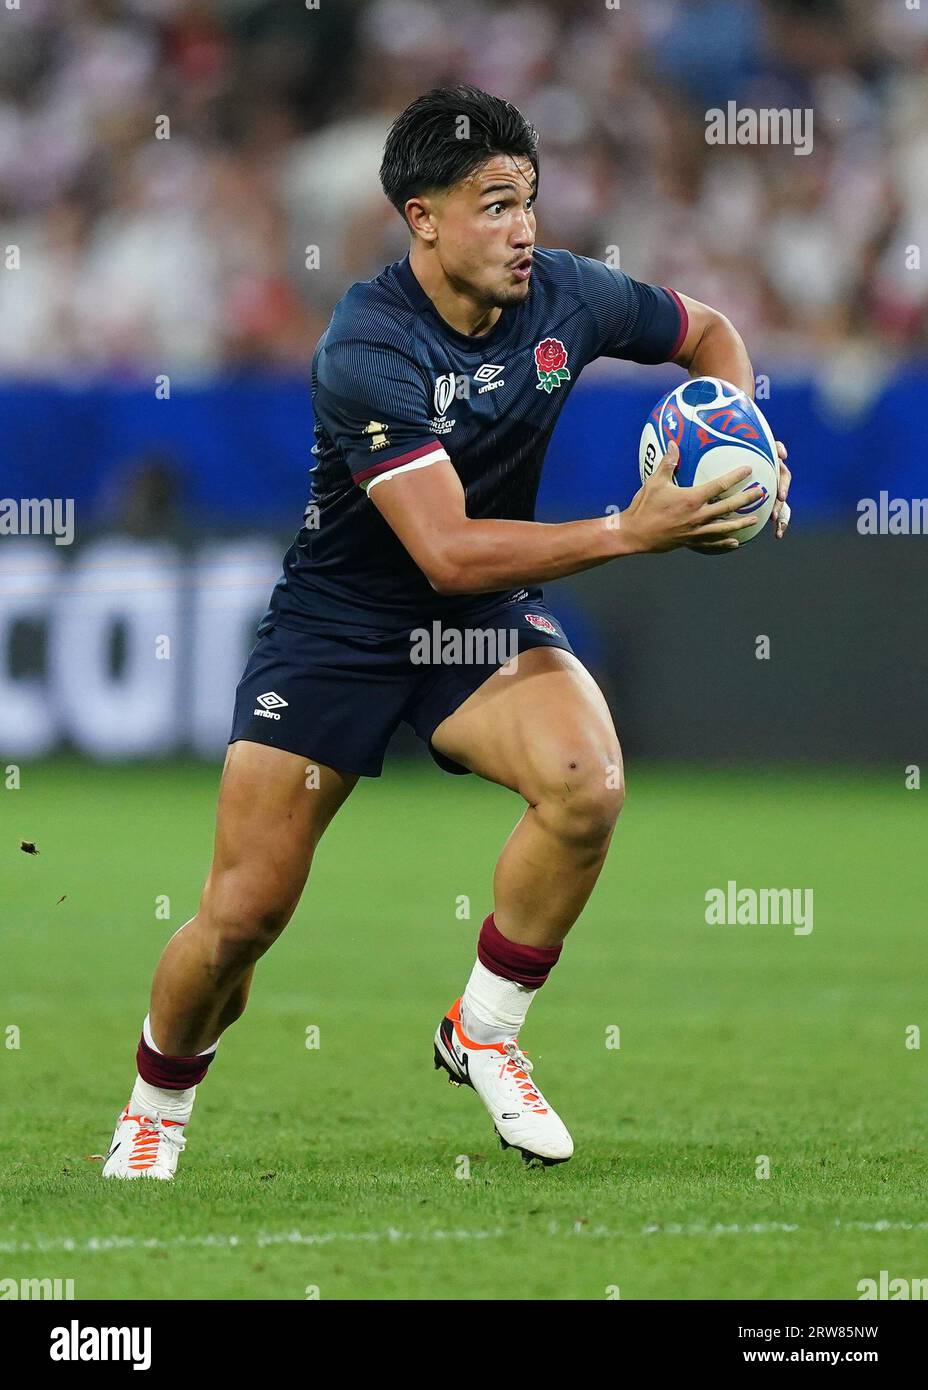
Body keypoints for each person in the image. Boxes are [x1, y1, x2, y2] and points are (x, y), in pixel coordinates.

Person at [102, 85, 790, 1178]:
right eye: (492, 204)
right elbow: (446, 547)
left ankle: (484, 1029)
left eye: (528, 200)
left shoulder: (571, 297)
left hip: (475, 623)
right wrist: (627, 530)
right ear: (421, 219)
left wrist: (742, 436)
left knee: (587, 783)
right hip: (341, 627)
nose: (523, 228)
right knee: (241, 920)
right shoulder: (367, 346)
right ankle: (154, 1105)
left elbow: (707, 331)